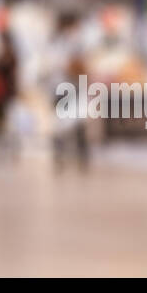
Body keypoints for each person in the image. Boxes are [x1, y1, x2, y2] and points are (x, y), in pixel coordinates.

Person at [48, 10, 89, 172]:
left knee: (76, 122)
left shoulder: (71, 42)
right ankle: (65, 156)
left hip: (71, 86)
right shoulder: (61, 43)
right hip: (64, 87)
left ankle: (77, 156)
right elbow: (65, 65)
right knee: (65, 123)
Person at [0, 19, 19, 157]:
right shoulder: (6, 54)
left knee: (4, 119)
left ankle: (4, 145)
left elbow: (2, 69)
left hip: (4, 91)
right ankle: (0, 144)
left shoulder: (8, 55)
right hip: (1, 91)